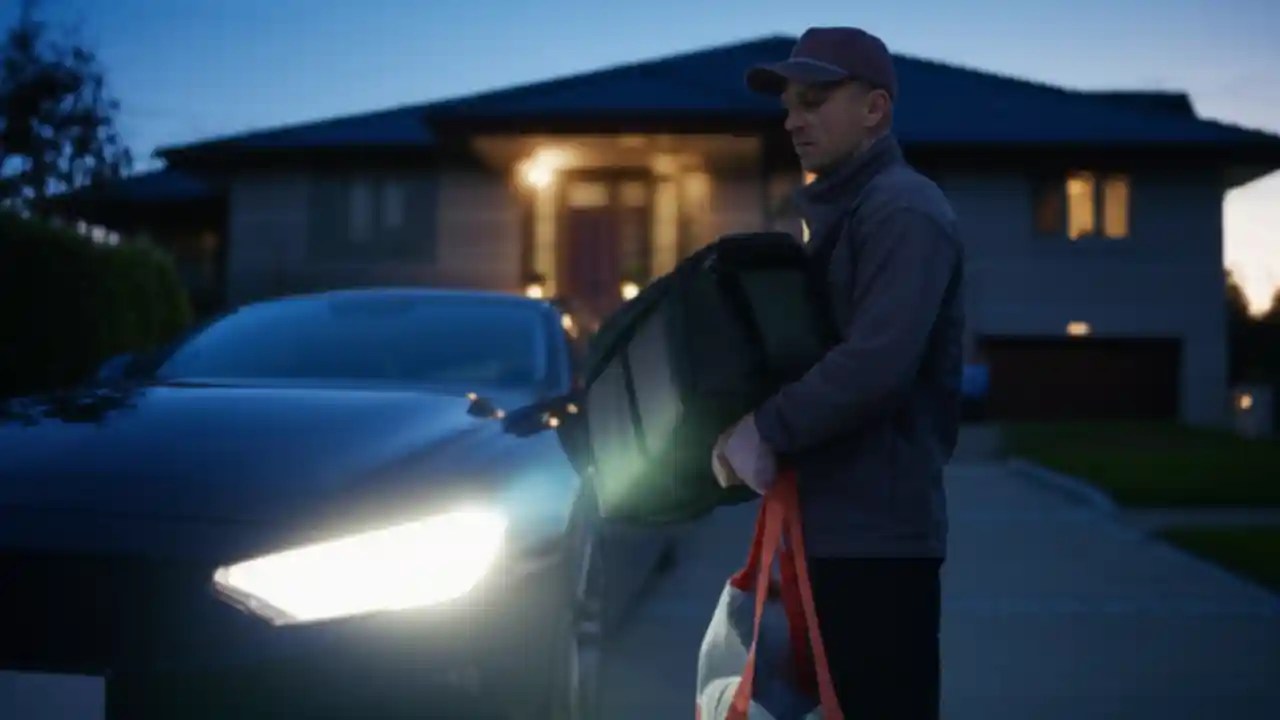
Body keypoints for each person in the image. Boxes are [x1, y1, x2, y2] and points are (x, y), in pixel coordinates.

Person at [712, 26, 965, 720]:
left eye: (815, 100)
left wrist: (767, 426)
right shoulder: (846, 212)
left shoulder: (903, 209)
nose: (793, 119)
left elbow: (876, 364)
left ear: (875, 109)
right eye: (790, 103)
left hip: (876, 546)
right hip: (828, 533)